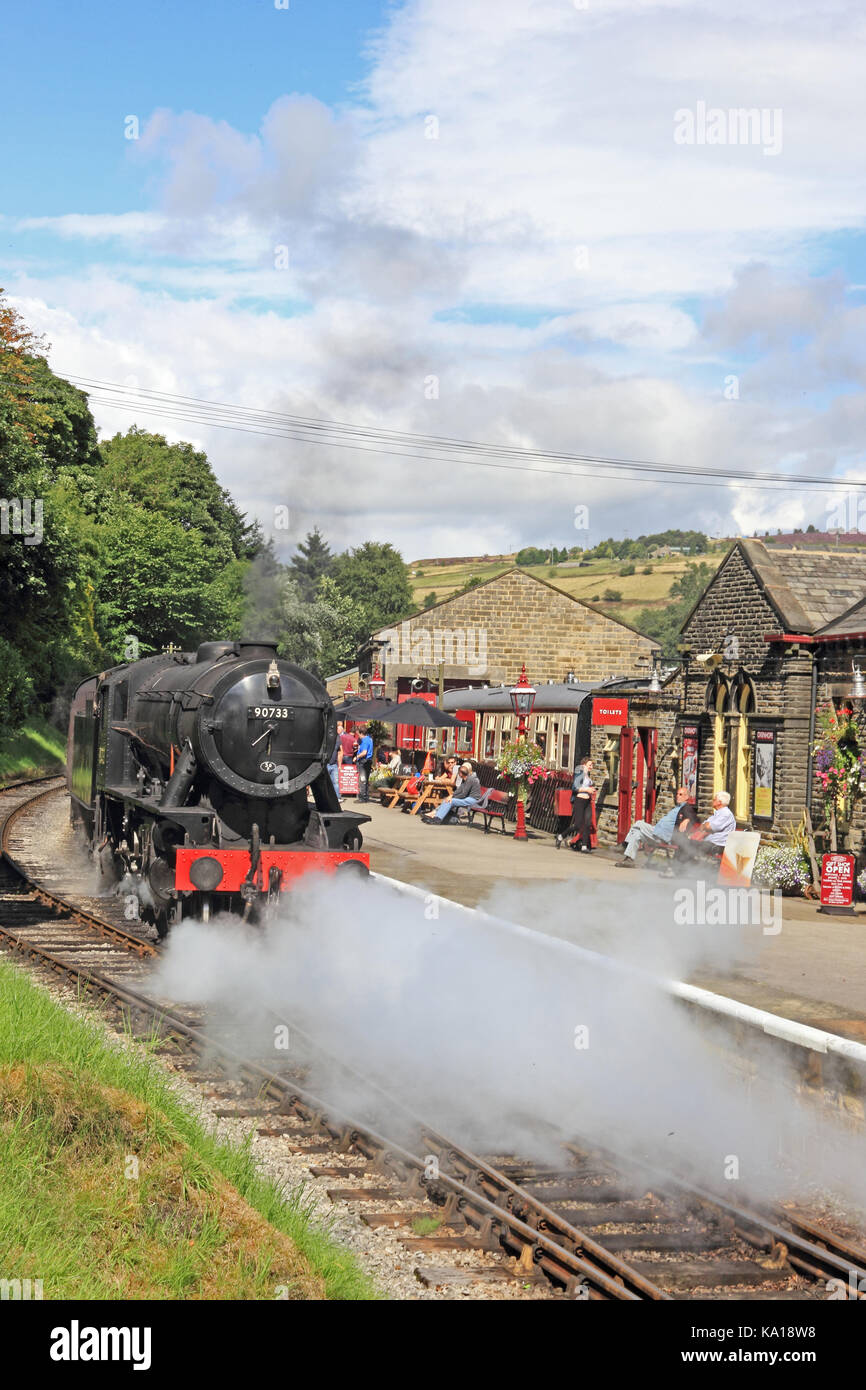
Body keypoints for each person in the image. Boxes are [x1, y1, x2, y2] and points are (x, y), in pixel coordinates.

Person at [615, 786, 699, 867]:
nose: (677, 796)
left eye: (680, 794)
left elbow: (694, 817)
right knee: (637, 833)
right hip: (657, 834)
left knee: (639, 823)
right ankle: (629, 860)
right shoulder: (677, 807)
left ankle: (624, 845)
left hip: (664, 836)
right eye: (677, 794)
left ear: (687, 797)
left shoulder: (686, 807)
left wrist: (687, 820)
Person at [680, 789, 736, 860]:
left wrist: (706, 826)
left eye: (714, 799)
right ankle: (684, 867)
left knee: (687, 845)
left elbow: (708, 826)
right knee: (685, 843)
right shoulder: (718, 813)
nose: (712, 801)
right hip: (710, 843)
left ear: (720, 802)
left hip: (717, 846)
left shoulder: (726, 814)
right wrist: (705, 826)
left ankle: (684, 868)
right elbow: (702, 826)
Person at [566, 756, 596, 852]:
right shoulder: (579, 772)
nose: (591, 767)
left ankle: (584, 846)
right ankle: (563, 836)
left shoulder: (587, 774)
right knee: (578, 824)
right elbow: (575, 787)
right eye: (590, 765)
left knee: (587, 823)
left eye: (592, 765)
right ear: (584, 764)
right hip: (580, 800)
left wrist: (591, 789)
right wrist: (587, 789)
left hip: (588, 801)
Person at [355, 725, 374, 803]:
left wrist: (356, 757)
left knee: (362, 780)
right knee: (365, 779)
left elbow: (364, 752)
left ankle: (362, 798)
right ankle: (366, 796)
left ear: (361, 733)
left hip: (364, 761)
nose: (358, 735)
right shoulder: (370, 739)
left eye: (358, 733)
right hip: (368, 761)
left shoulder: (365, 740)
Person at [327, 722, 343, 799]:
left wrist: (339, 765)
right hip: (326, 763)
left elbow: (340, 752)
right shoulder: (326, 737)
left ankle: (337, 797)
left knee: (336, 782)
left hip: (334, 764)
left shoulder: (337, 737)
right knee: (327, 783)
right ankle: (328, 798)